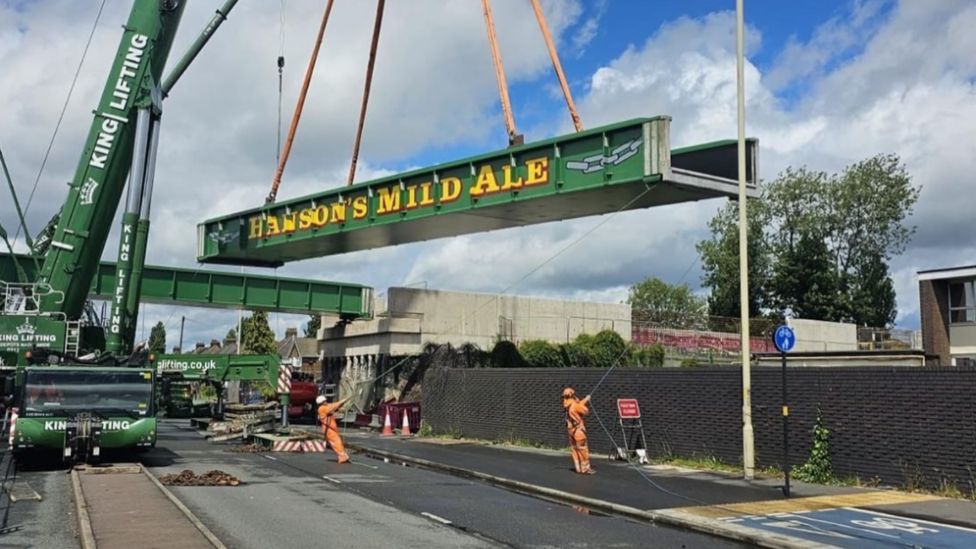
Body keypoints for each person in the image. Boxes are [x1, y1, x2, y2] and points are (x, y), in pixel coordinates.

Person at [562, 387, 594, 474]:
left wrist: (586, 399)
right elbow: (585, 411)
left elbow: (578, 405)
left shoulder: (566, 405)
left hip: (571, 430)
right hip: (578, 431)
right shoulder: (575, 405)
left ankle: (578, 468)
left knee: (574, 449)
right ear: (572, 395)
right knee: (583, 449)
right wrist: (583, 401)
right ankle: (585, 469)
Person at [317, 394, 351, 464]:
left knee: (337, 441)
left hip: (331, 428)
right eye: (325, 401)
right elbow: (333, 407)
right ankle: (342, 456)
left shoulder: (326, 406)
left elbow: (334, 405)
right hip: (328, 429)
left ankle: (343, 456)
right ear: (322, 402)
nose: (326, 401)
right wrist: (342, 401)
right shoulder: (321, 408)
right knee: (336, 442)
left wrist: (342, 403)